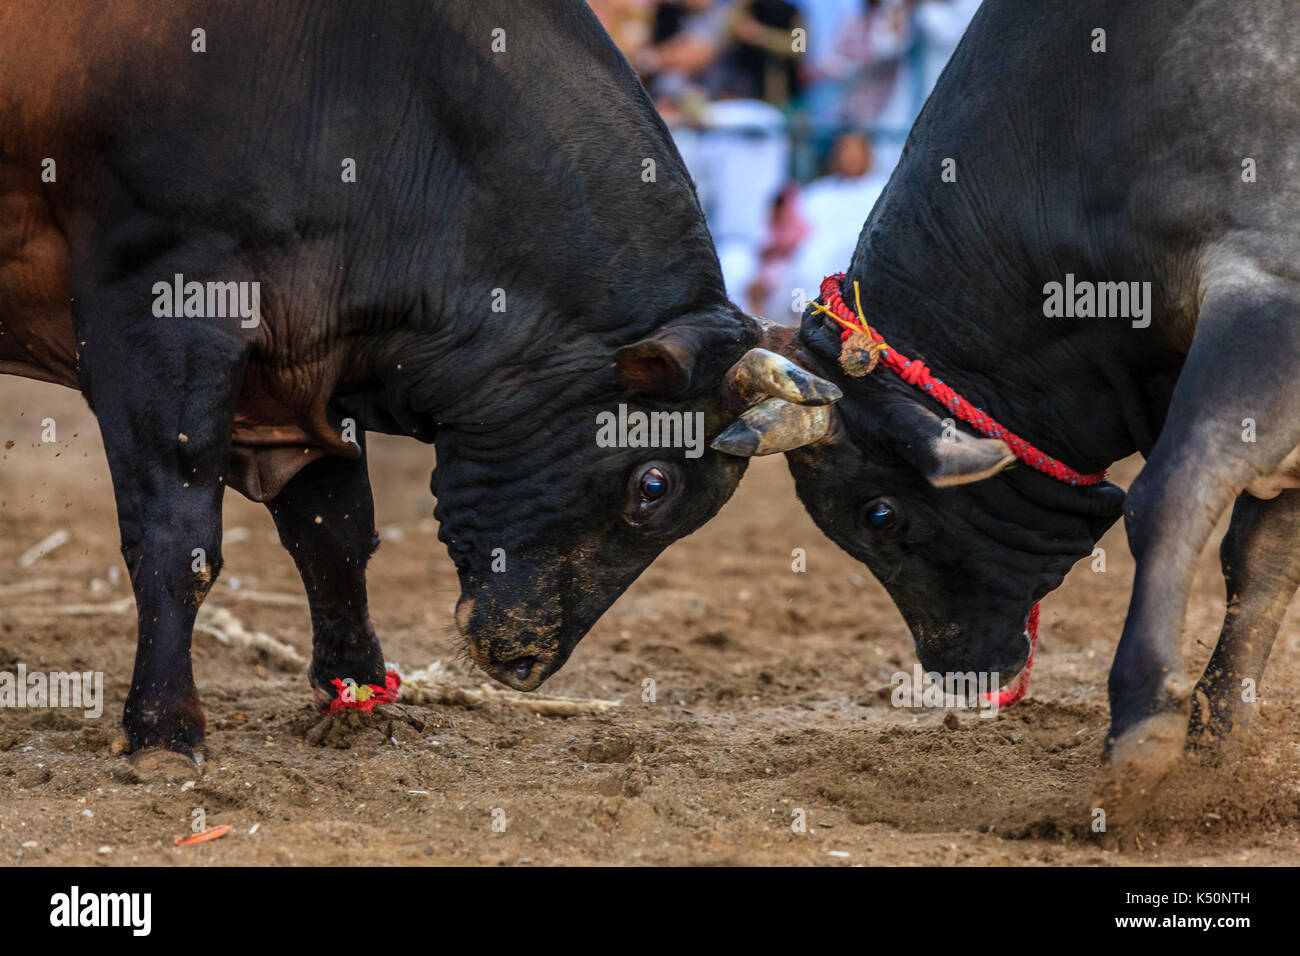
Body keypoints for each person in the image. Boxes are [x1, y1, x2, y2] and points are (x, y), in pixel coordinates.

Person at [789, 131, 888, 294]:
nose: (849, 157)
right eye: (844, 151)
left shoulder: (883, 190)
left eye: (855, 151)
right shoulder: (817, 193)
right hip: (819, 262)